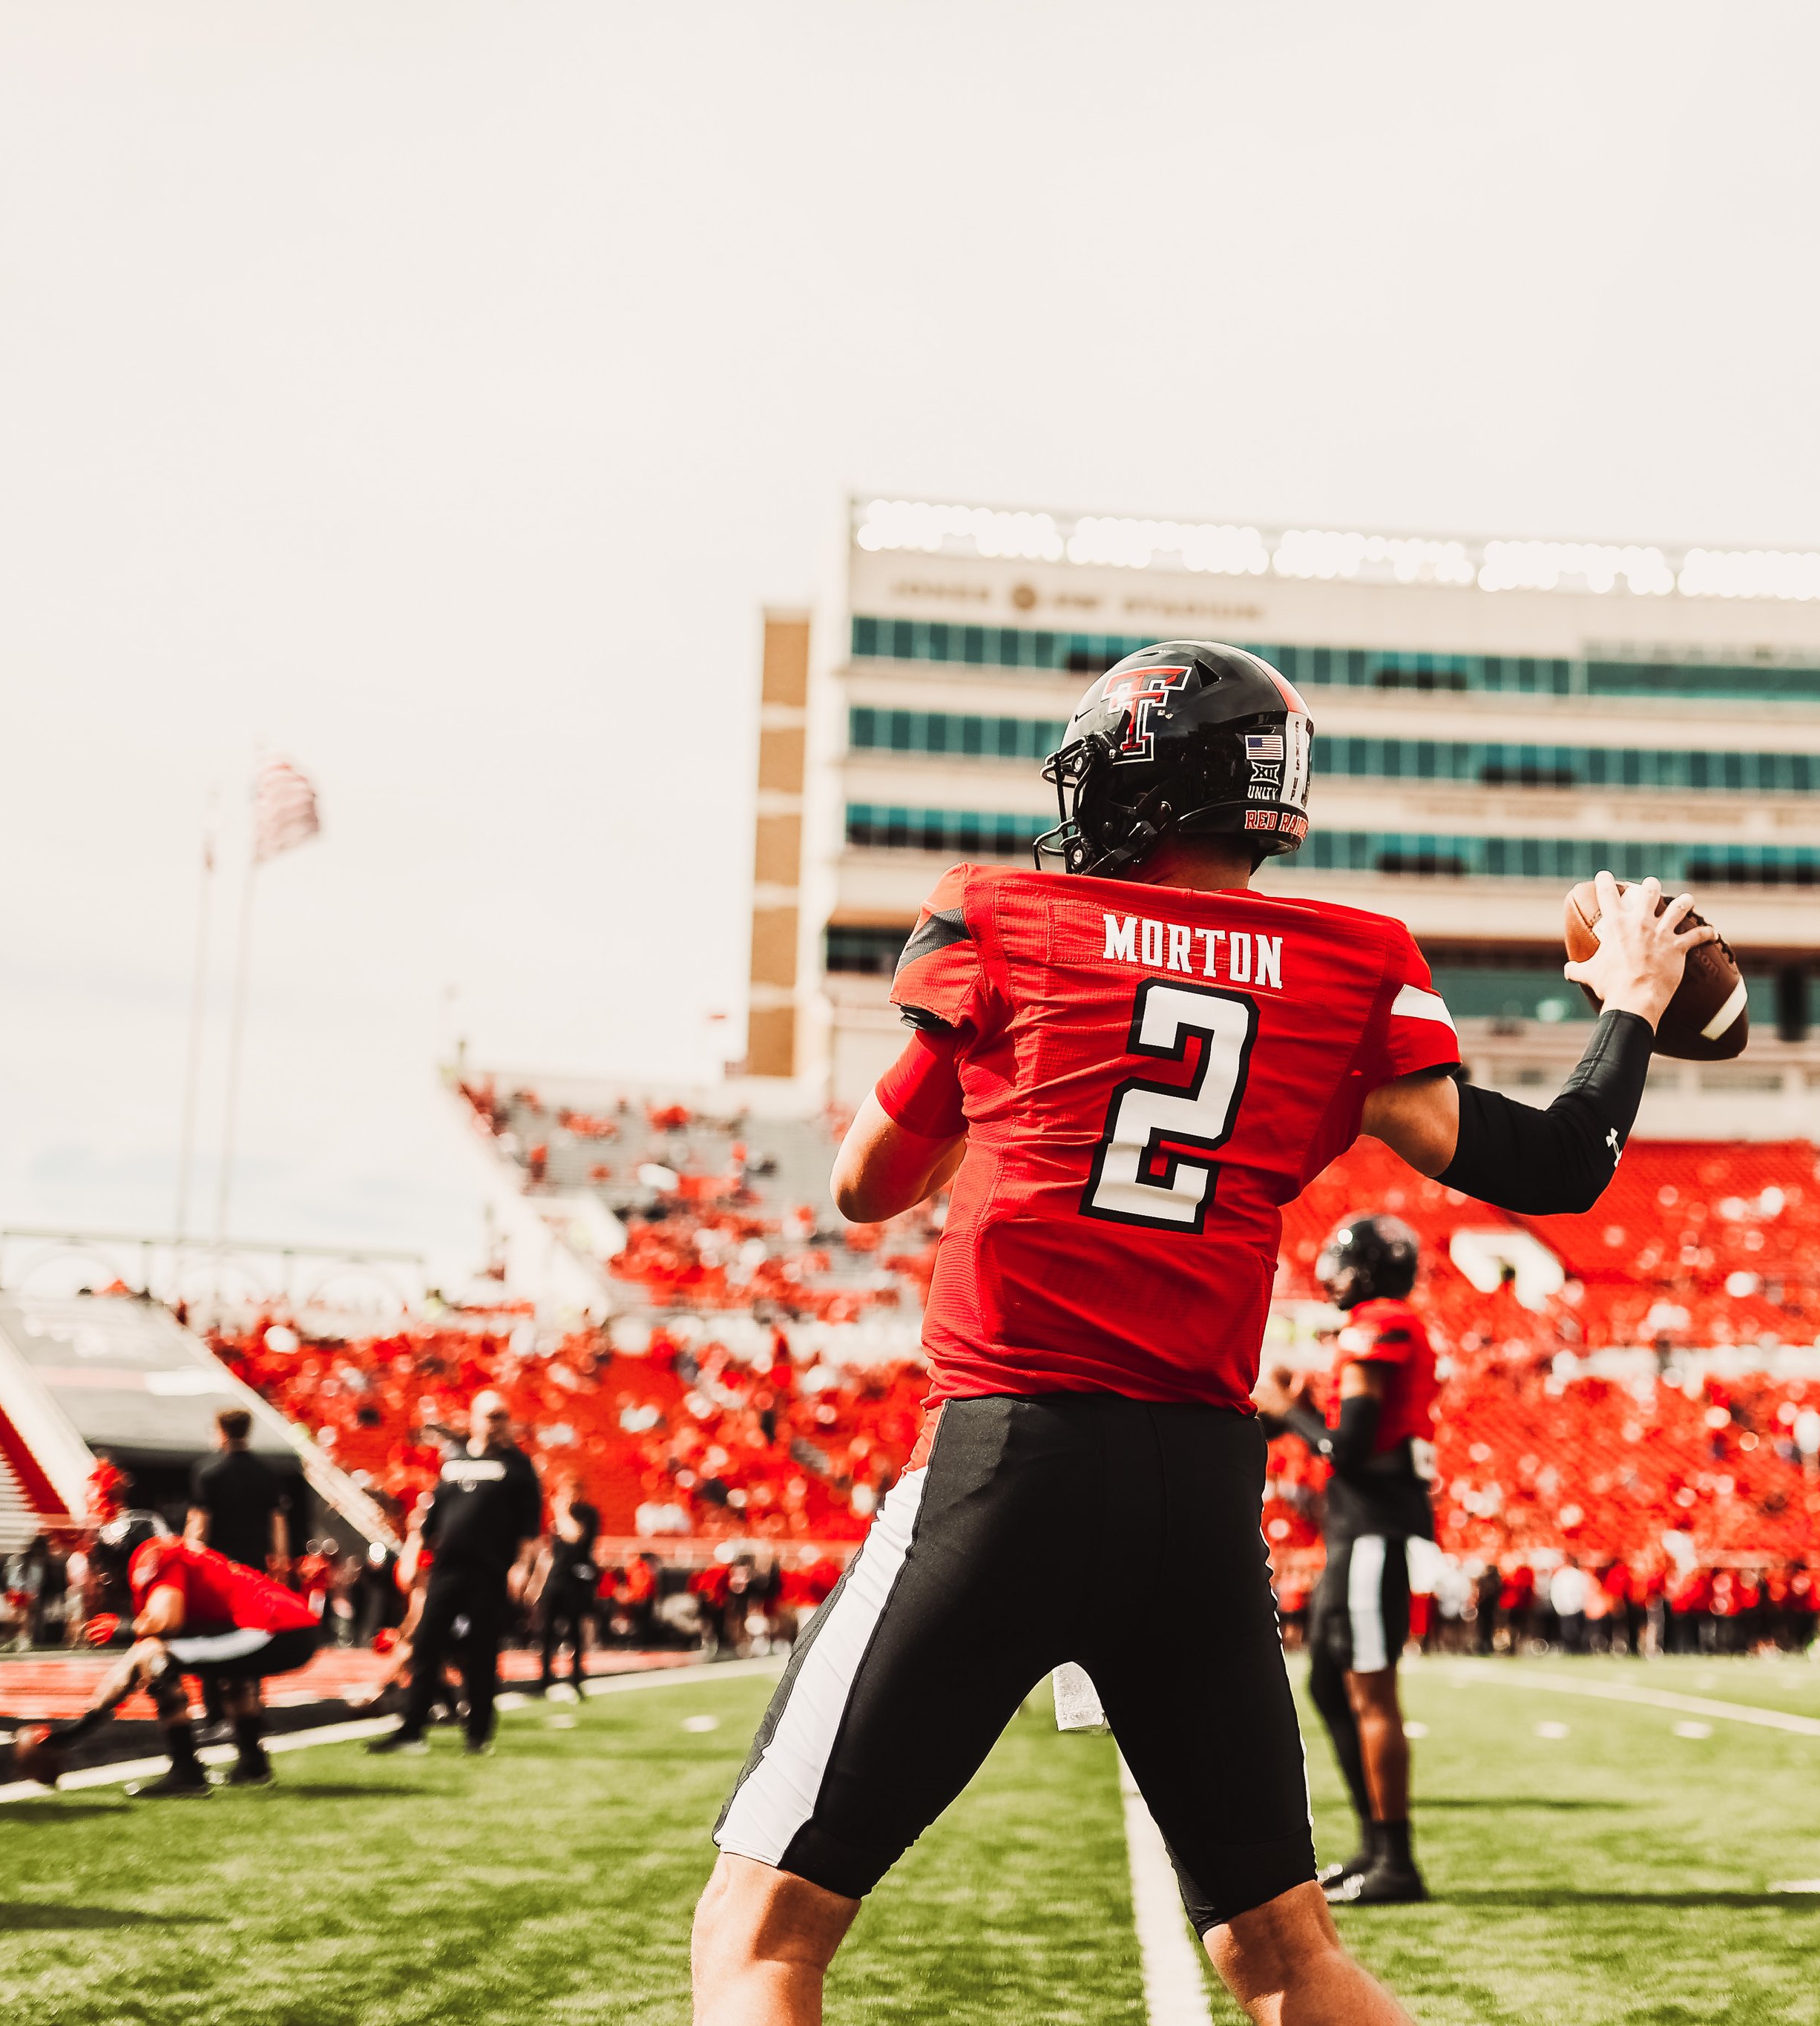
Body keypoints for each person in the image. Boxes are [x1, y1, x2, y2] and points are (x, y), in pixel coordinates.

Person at [692, 640, 1705, 2025]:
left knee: (761, 1938)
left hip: (1011, 1463)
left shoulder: (1001, 915)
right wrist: (1631, 1007)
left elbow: (866, 1185)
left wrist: (1006, 1091)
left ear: (1134, 784)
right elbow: (1554, 1167)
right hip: (1202, 1499)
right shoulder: (1354, 960)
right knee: (1287, 1960)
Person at [1257, 1212, 1441, 1906]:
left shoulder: (1382, 1321)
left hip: (1375, 1528)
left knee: (1368, 1690)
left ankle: (1396, 1859)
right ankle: (1374, 1848)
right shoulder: (1379, 1324)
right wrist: (1295, 1410)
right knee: (1333, 1687)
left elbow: (1349, 1448)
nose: (1331, 1274)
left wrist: (1291, 1409)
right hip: (1360, 1528)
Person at [25, 1513, 321, 1796]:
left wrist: (68, 1734)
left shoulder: (153, 1553)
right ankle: (252, 1765)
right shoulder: (185, 1554)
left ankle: (186, 1771)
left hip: (271, 1629)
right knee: (233, 1676)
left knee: (154, 1658)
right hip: (293, 1627)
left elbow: (166, 1621)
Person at [369, 1391, 541, 1757]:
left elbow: (529, 1528)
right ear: (474, 1418)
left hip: (490, 1571)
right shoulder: (454, 1461)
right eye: (491, 1416)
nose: (497, 1423)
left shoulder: (518, 1466)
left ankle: (478, 1734)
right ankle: (412, 1729)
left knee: (481, 1654)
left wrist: (522, 1568)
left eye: (502, 1416)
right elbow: (430, 1520)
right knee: (425, 1646)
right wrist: (415, 1552)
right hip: (447, 1570)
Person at [188, 1405, 291, 1576]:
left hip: (218, 1563)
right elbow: (278, 1522)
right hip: (254, 1564)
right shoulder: (268, 1472)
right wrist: (281, 1562)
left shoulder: (207, 1472)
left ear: (222, 1431)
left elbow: (199, 1524)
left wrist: (190, 1559)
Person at [531, 1474, 604, 1700]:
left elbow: (575, 1537)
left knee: (575, 1632)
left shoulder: (587, 1514)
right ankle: (543, 1682)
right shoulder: (556, 1518)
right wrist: (536, 1581)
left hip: (577, 1579)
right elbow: (548, 1552)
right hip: (557, 1577)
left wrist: (561, 1513)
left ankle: (576, 1681)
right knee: (545, 1632)